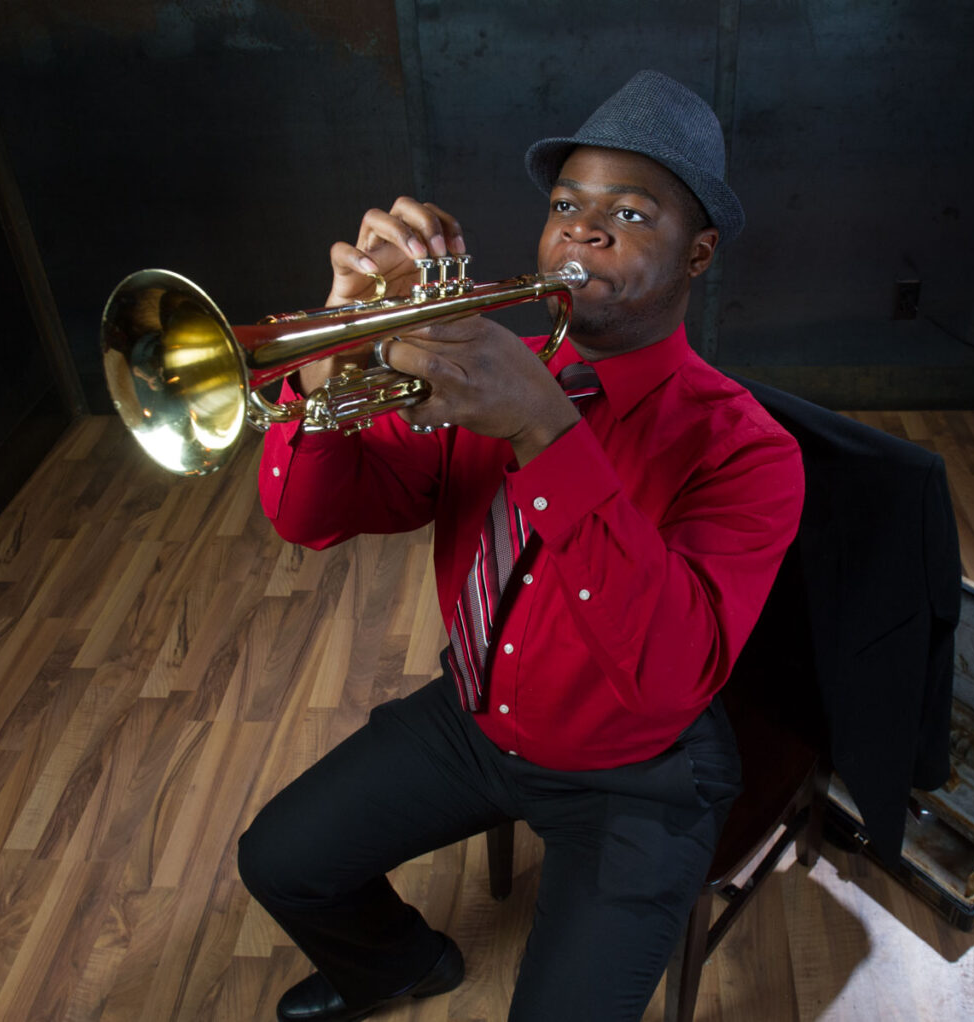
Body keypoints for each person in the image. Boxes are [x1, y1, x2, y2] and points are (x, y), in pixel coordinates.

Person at [237, 69, 804, 1022]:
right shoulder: (494, 372)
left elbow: (669, 677)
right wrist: (334, 339)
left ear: (698, 255)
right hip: (481, 712)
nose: (583, 230)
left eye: (631, 212)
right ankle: (398, 966)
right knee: (278, 860)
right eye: (566, 205)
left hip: (641, 766)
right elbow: (313, 518)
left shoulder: (746, 449)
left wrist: (548, 433)